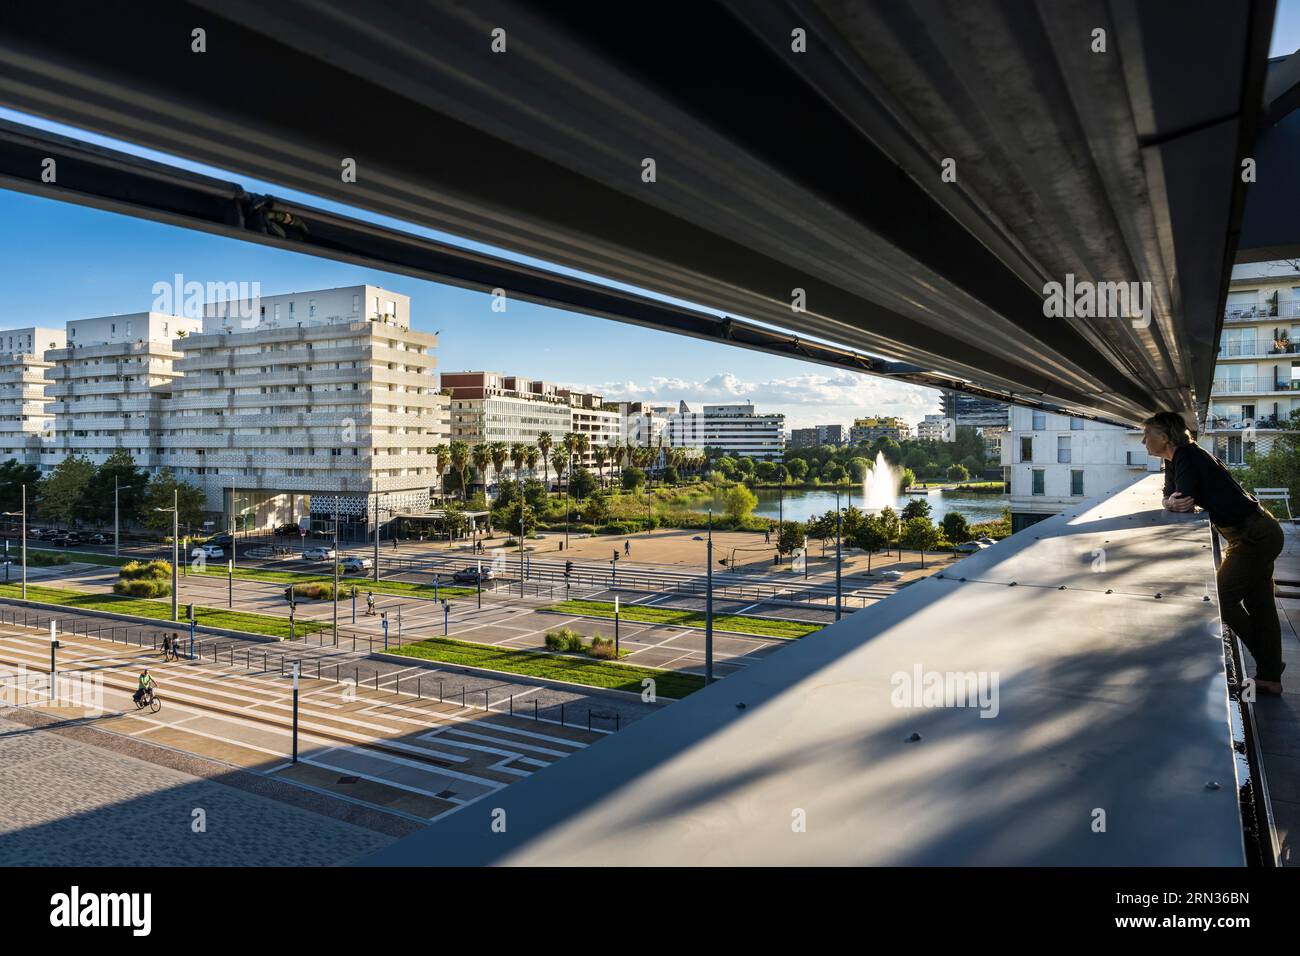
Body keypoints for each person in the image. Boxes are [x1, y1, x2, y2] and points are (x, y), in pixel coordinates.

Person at [1142, 411, 1286, 694]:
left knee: (1222, 599)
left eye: (1147, 434)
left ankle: (1269, 664)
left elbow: (1180, 500)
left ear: (1164, 436)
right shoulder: (1175, 459)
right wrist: (1169, 502)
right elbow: (1170, 496)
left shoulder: (1188, 456)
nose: (1143, 440)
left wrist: (1172, 502)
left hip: (1255, 535)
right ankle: (1270, 677)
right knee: (1261, 605)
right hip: (1251, 534)